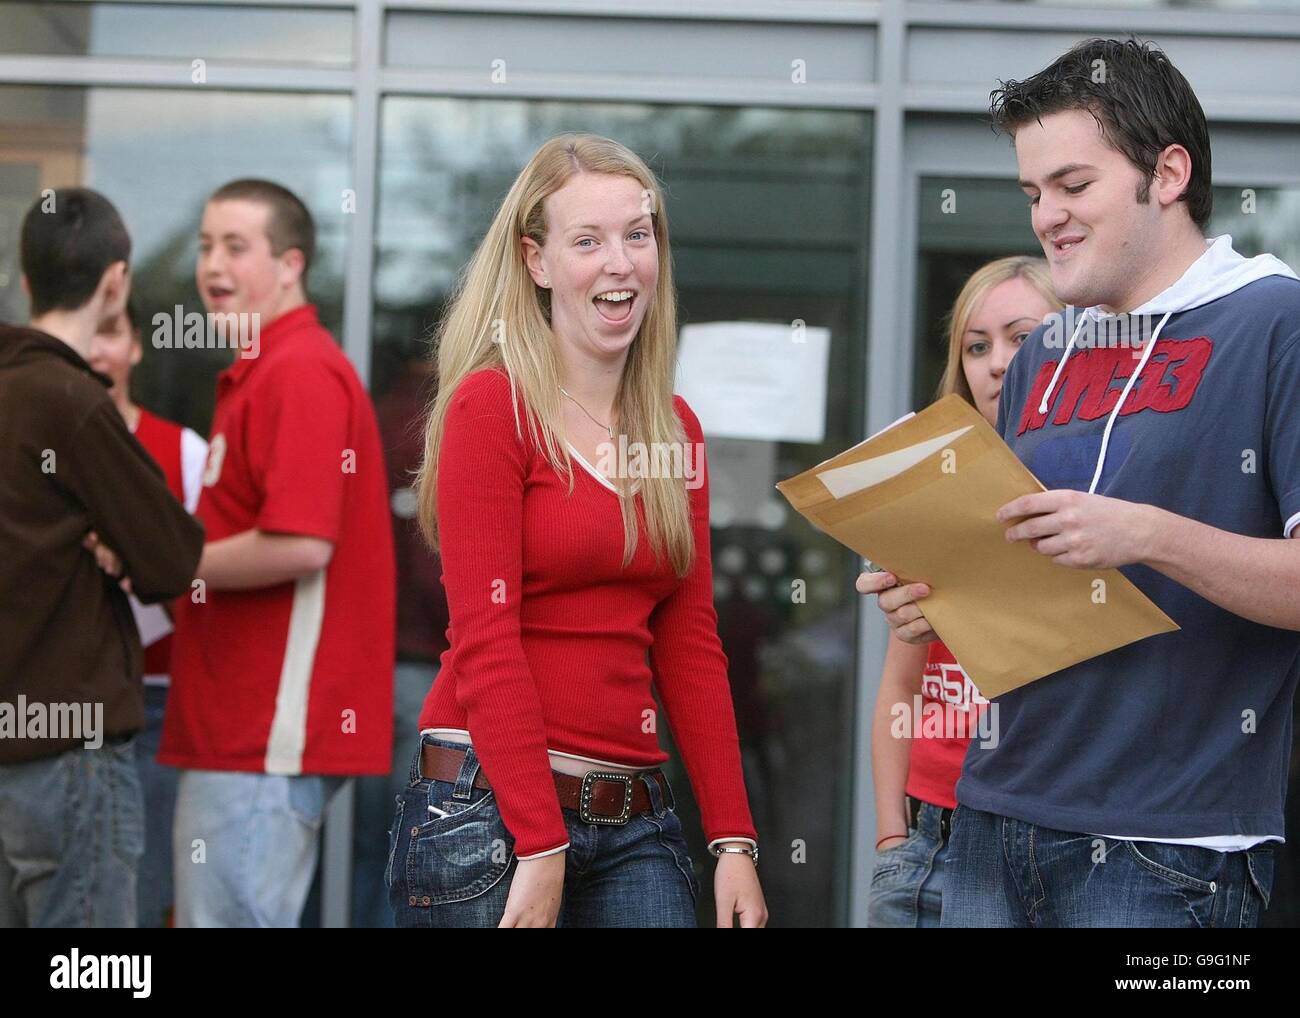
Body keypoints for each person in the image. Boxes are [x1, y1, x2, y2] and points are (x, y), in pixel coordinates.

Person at [859, 37, 1300, 928]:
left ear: (1167, 173)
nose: (1047, 217)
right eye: (1033, 195)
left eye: (1073, 185)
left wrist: (1148, 535)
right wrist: (934, 594)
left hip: (1167, 850)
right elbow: (1027, 589)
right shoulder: (1047, 352)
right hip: (990, 823)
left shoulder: (1276, 319)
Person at [390, 133, 766, 928]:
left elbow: (691, 641)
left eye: (638, 234)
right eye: (587, 241)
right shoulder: (491, 410)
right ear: (536, 261)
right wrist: (539, 842)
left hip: (638, 820)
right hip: (487, 813)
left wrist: (734, 840)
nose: (620, 262)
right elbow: (486, 635)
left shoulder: (678, 432)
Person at [161, 179, 396, 927]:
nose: (211, 265)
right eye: (204, 246)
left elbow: (302, 542)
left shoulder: (298, 370)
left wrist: (171, 557)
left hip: (265, 731)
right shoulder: (262, 370)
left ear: (290, 265)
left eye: (235, 246)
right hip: (241, 727)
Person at [0, 188, 204, 927]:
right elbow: (176, 556)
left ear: (27, 281)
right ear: (116, 282)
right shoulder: (73, 401)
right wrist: (118, 544)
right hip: (73, 753)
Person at [866, 256, 1061, 927]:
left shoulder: (1095, 496)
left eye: (1023, 337)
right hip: (931, 840)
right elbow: (900, 689)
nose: (996, 363)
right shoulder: (934, 492)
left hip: (1046, 838)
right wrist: (894, 836)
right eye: (977, 346)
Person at [87, 298, 208, 928]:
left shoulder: (183, 451)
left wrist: (136, 558)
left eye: (111, 333)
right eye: (85, 332)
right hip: (54, 708)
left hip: (155, 699)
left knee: (149, 892)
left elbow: (198, 585)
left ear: (136, 347)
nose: (96, 349)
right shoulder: (32, 444)